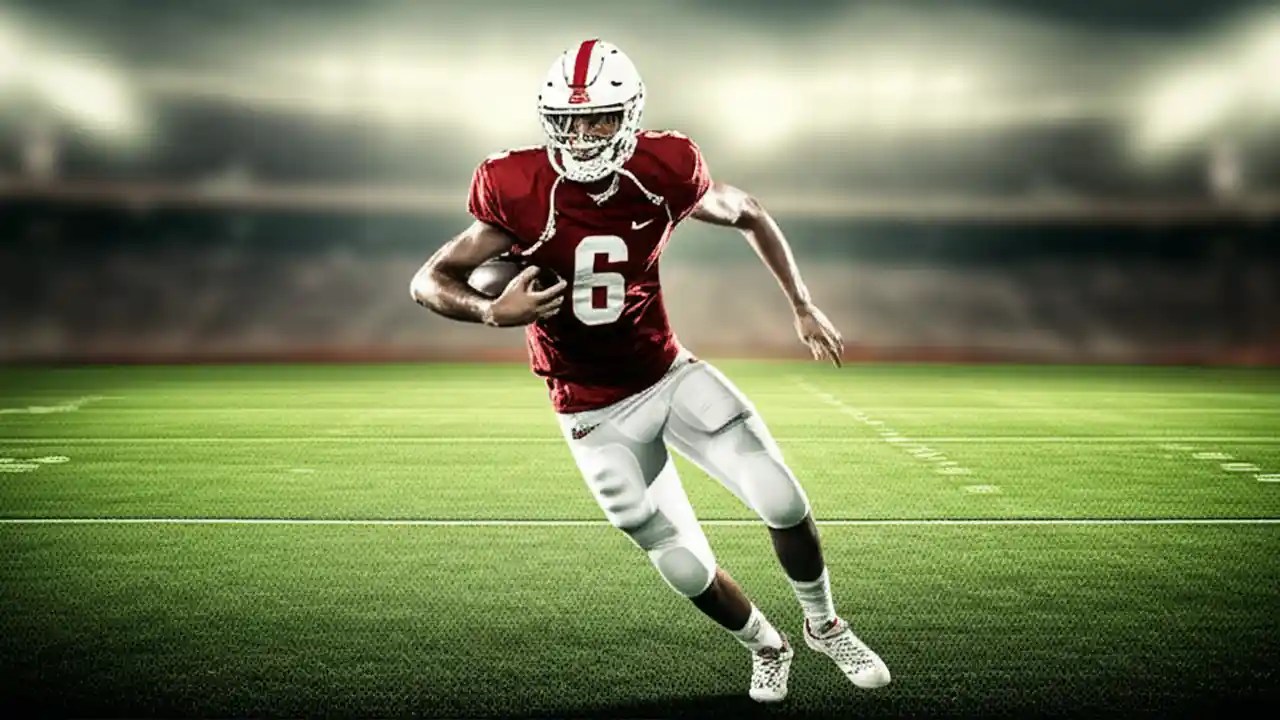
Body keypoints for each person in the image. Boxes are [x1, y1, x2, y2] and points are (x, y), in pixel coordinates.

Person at [410, 38, 889, 703]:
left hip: (666, 372)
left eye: (599, 119)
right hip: (589, 406)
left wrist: (802, 305)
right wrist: (490, 311)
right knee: (683, 564)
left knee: (782, 498)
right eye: (569, 121)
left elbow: (749, 212)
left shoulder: (664, 169)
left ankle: (825, 625)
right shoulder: (518, 188)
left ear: (630, 116)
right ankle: (766, 645)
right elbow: (428, 281)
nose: (582, 137)